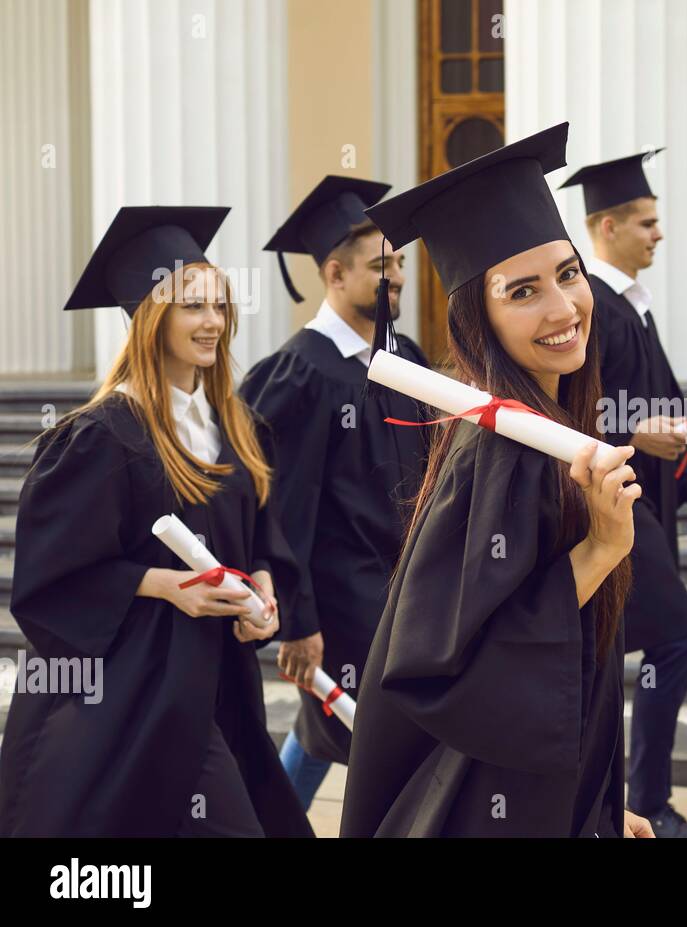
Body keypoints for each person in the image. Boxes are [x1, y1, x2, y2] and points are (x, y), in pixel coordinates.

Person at [340, 123, 653, 837]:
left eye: (568, 274)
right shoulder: (503, 451)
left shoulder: (546, 427)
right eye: (522, 292)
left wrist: (599, 808)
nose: (562, 308)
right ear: (479, 317)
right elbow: (456, 665)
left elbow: (565, 659)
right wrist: (601, 549)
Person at [0, 206, 312, 837]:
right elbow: (49, 581)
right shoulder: (100, 437)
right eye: (192, 307)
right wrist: (163, 584)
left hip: (219, 684)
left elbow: (258, 538)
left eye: (220, 306)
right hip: (136, 689)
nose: (213, 323)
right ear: (151, 318)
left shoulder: (236, 425)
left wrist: (263, 587)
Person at [240, 176, 433, 810]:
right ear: (335, 274)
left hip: (407, 591)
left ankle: (272, 823)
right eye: (382, 266)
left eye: (401, 262)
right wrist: (299, 621)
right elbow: (281, 510)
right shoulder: (304, 372)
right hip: (344, 604)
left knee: (330, 734)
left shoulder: (404, 357)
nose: (397, 276)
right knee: (374, 744)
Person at [558, 150, 687, 837]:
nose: (659, 234)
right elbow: (578, 412)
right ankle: (642, 798)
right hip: (613, 506)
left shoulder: (634, 309)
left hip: (650, 501)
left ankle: (622, 801)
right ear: (606, 225)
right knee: (671, 637)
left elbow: (658, 404)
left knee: (644, 643)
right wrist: (637, 432)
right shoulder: (591, 309)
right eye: (647, 223)